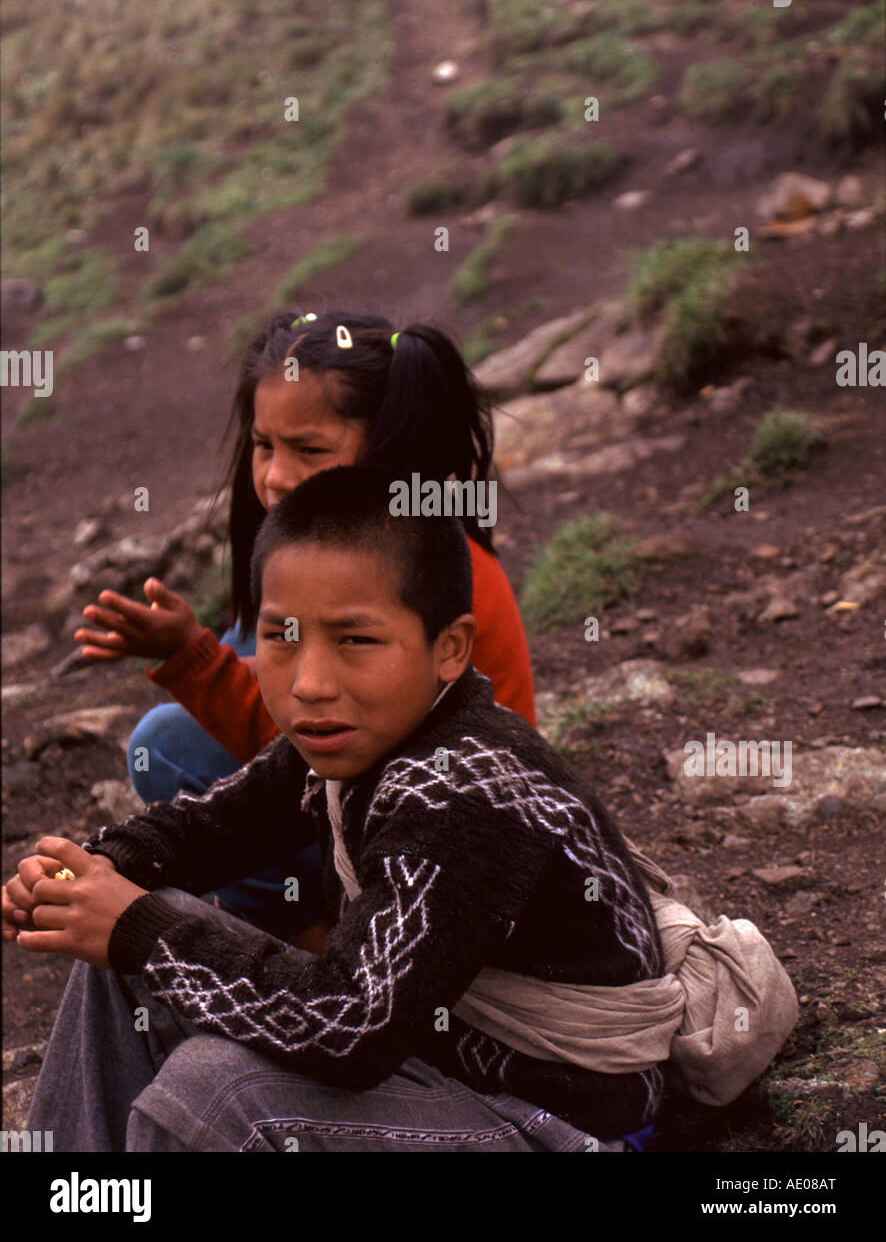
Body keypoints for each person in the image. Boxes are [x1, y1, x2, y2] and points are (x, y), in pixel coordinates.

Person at [7, 466, 663, 1153]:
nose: (312, 683)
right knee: (128, 923)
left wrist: (138, 927)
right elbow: (210, 828)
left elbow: (351, 1026)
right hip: (435, 1063)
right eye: (282, 637)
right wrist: (87, 872)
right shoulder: (359, 738)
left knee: (217, 1090)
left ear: (449, 648)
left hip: (553, 1120)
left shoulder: (464, 793)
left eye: (355, 639)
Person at [72, 310, 536, 949]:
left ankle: (308, 943)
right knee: (245, 642)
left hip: (442, 841)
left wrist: (192, 661)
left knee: (169, 742)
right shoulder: (364, 546)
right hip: (380, 799)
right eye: (265, 445)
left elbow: (318, 747)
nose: (275, 477)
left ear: (390, 443)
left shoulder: (428, 573)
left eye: (310, 450)